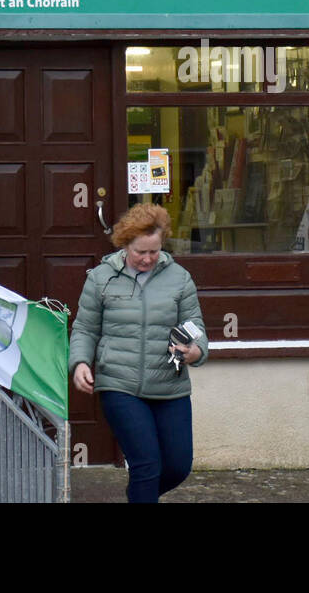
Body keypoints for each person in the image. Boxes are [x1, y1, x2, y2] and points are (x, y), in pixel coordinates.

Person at [70, 203, 209, 503]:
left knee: (177, 466)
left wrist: (196, 352)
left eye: (154, 251)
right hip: (120, 384)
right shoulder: (101, 278)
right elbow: (85, 328)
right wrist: (80, 362)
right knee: (147, 464)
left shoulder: (179, 278)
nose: (147, 259)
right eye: (140, 252)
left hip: (170, 385)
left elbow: (195, 324)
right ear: (124, 245)